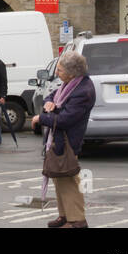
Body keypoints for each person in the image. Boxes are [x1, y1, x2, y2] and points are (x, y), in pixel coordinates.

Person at [31, 51, 96, 228]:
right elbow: (52, 96)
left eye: (59, 70)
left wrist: (41, 118)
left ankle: (77, 221)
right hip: (59, 139)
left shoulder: (83, 90)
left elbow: (66, 119)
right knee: (58, 177)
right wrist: (48, 104)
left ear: (71, 72)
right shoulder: (70, 85)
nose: (57, 73)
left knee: (69, 178)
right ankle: (65, 216)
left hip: (69, 140)